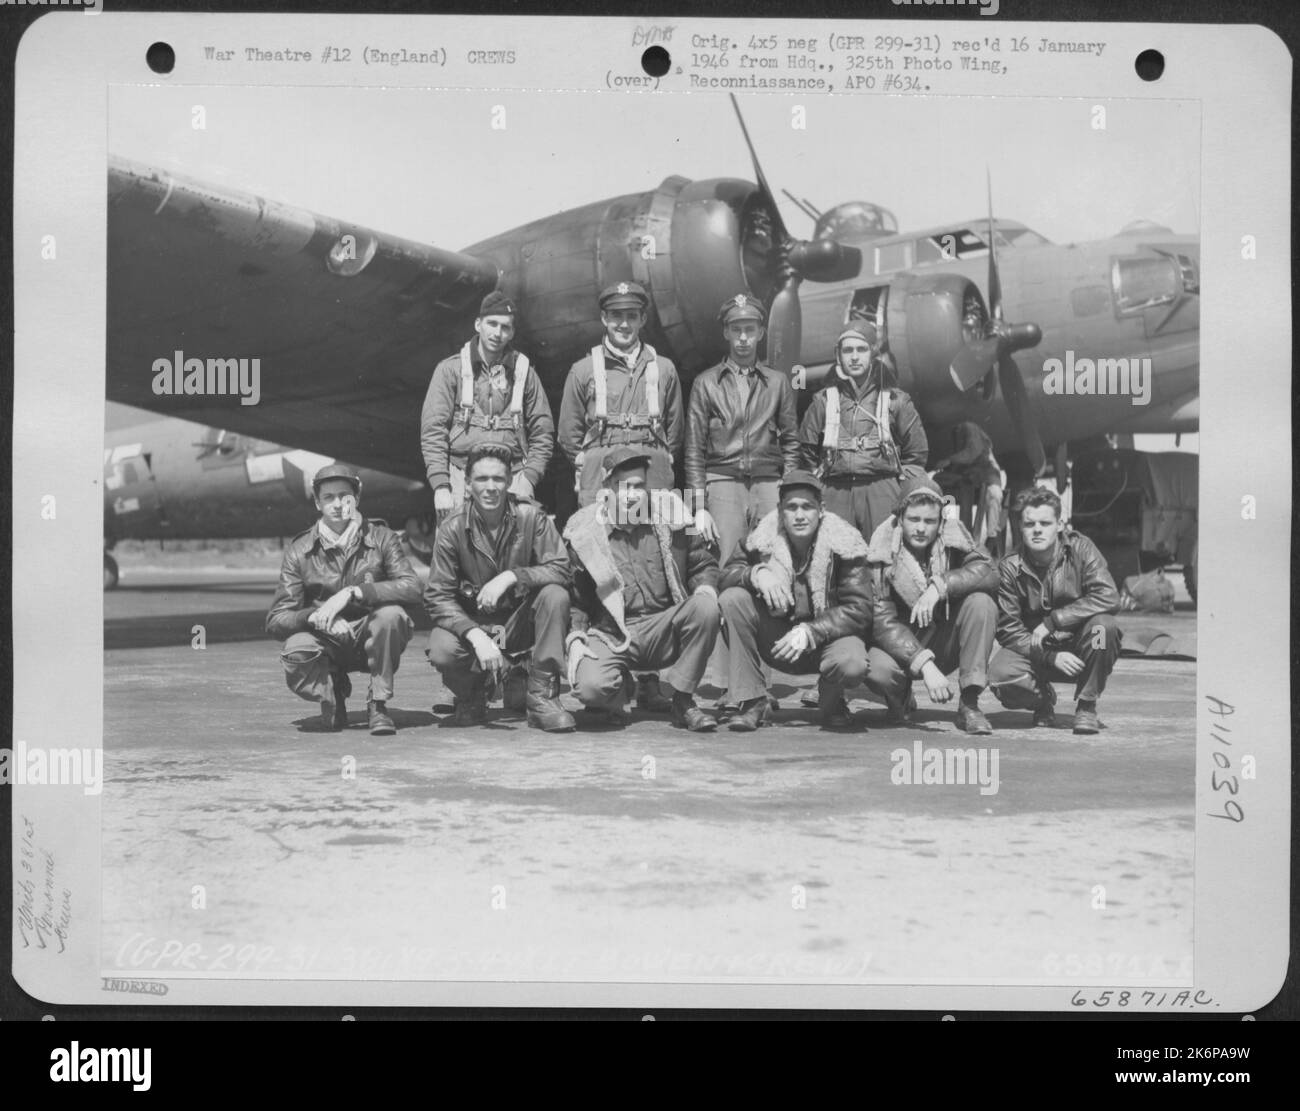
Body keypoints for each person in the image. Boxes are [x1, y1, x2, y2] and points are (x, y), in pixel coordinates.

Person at [557, 280, 686, 712]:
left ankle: (650, 677)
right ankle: (615, 660)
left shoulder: (664, 369)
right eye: (616, 316)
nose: (624, 324)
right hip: (601, 476)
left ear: (643, 318)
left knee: (653, 565)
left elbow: (675, 431)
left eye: (632, 316)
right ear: (604, 319)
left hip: (651, 471)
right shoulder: (582, 370)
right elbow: (569, 435)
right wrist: (596, 466)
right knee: (604, 566)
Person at [687, 293, 801, 711]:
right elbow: (694, 447)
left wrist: (789, 493)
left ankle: (759, 681)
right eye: (735, 329)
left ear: (761, 332)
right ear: (726, 333)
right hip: (722, 482)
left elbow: (791, 441)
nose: (742, 338)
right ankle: (722, 682)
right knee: (724, 575)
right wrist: (699, 505)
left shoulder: (778, 382)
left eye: (750, 329)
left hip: (768, 484)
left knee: (771, 571)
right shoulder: (705, 383)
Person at [562, 447, 720, 732]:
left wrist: (705, 589)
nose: (633, 494)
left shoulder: (674, 515)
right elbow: (577, 599)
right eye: (625, 486)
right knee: (590, 688)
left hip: (664, 626)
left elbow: (702, 564)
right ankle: (619, 688)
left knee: (706, 607)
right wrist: (575, 638)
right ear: (608, 487)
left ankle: (683, 700)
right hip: (613, 633)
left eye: (639, 486)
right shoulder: (584, 532)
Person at [423, 443, 576, 732]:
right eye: (482, 479)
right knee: (442, 647)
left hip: (519, 625)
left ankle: (542, 699)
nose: (490, 487)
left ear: (509, 482)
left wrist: (512, 576)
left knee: (555, 595)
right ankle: (473, 694)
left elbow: (562, 568)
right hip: (477, 625)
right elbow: (436, 596)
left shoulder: (532, 517)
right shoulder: (452, 528)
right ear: (468, 484)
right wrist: (475, 635)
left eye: (498, 479)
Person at [716, 470, 884, 731]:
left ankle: (833, 700)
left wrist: (811, 631)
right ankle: (752, 700)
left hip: (827, 641)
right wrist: (756, 574)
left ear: (821, 510)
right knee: (733, 599)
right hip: (778, 641)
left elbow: (860, 609)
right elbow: (725, 577)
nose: (800, 515)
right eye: (791, 507)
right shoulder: (760, 538)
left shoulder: (846, 543)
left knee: (852, 663)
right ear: (780, 510)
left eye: (807, 507)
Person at [267, 464, 420, 735]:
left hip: (369, 634)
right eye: (328, 497)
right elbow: (277, 619)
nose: (338, 504)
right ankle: (331, 693)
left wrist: (355, 592)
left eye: (344, 496)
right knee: (296, 649)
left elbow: (412, 587)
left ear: (356, 498)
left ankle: (378, 703)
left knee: (392, 616)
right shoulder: (299, 551)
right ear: (317, 503)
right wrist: (315, 618)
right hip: (326, 638)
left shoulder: (382, 538)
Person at [863, 474, 999, 734]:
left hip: (942, 640)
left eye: (929, 521)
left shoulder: (954, 539)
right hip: (899, 646)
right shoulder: (880, 552)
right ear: (899, 518)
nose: (921, 528)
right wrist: (923, 663)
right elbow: (882, 623)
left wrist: (941, 586)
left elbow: (989, 571)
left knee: (982, 603)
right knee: (876, 670)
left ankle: (969, 703)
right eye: (913, 519)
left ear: (941, 522)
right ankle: (899, 695)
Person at [988, 487, 1122, 734]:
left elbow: (1109, 596)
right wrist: (1049, 657)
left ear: (1059, 525)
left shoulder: (1081, 549)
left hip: (1080, 648)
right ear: (1020, 527)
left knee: (1104, 629)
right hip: (1035, 651)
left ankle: (1087, 705)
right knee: (1000, 675)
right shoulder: (1009, 567)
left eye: (1045, 523)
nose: (1037, 529)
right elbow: (1008, 630)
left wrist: (1054, 621)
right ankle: (1042, 700)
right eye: (1030, 524)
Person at [420, 290, 555, 523]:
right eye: (492, 324)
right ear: (478, 324)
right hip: (461, 476)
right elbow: (433, 431)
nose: (497, 333)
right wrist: (441, 486)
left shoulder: (525, 373)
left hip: (511, 478)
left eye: (505, 327)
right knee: (455, 543)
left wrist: (529, 479)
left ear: (512, 332)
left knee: (516, 543)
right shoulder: (450, 370)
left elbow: (543, 433)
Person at [798, 323, 929, 541]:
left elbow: (917, 453)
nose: (854, 357)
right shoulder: (823, 401)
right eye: (848, 350)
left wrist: (899, 488)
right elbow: (806, 451)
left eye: (862, 349)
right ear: (838, 355)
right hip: (835, 489)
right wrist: (818, 487)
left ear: (873, 352)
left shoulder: (896, 400)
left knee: (883, 552)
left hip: (882, 489)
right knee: (835, 553)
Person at [932, 420, 1005, 554]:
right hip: (968, 479)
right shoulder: (956, 433)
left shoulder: (968, 427)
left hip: (986, 475)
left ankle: (990, 539)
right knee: (944, 487)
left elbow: (972, 452)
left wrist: (949, 460)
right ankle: (949, 530)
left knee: (994, 495)